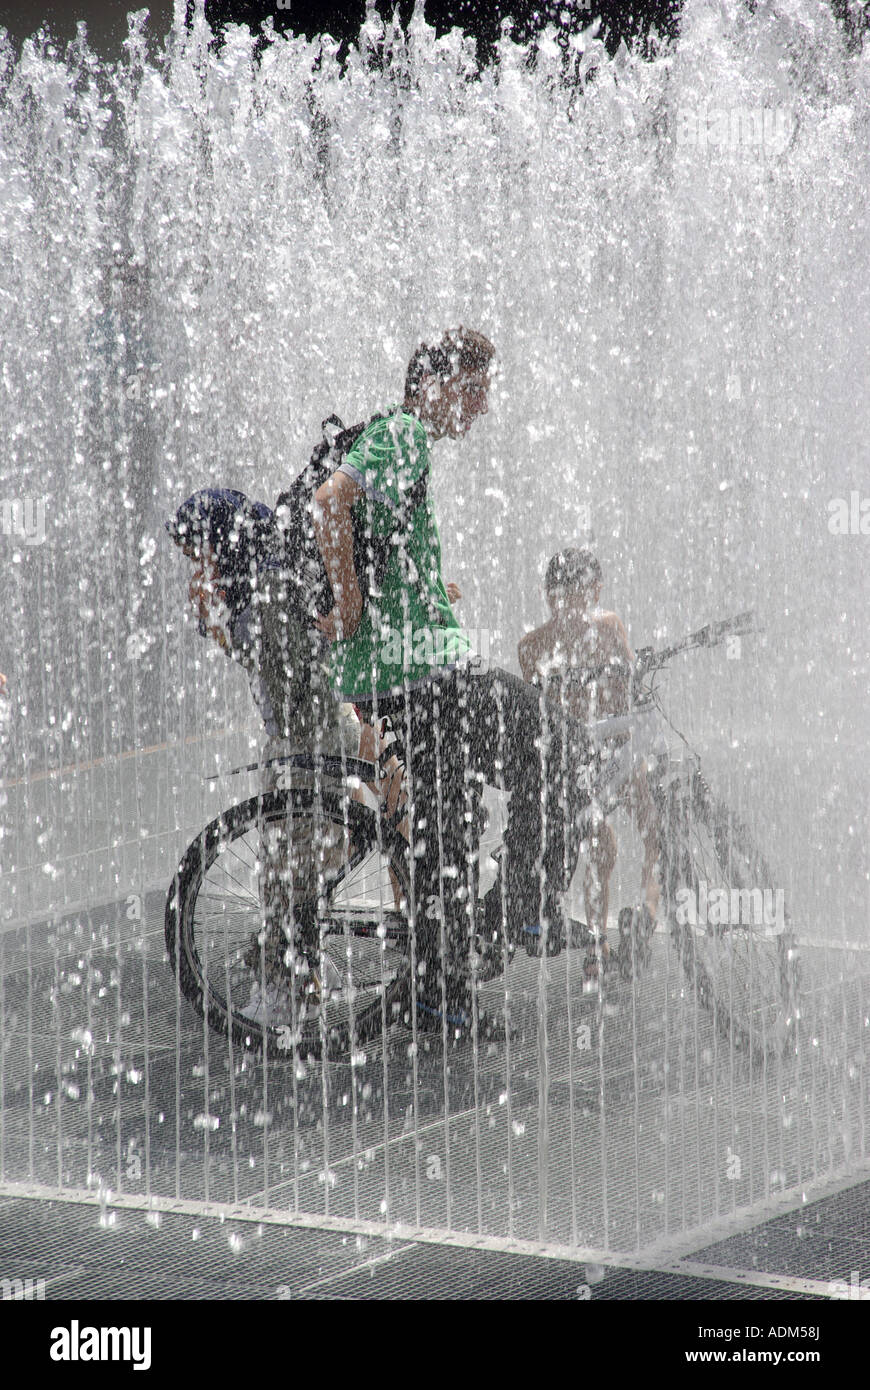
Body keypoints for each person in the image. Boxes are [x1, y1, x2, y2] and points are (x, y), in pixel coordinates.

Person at [313, 328, 588, 1037]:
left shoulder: (405, 444)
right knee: (565, 752)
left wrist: (429, 590)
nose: (483, 406)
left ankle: (442, 992)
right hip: (420, 677)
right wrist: (345, 605)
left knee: (447, 825)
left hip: (402, 672)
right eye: (474, 389)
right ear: (433, 385)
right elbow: (329, 503)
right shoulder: (403, 434)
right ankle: (516, 917)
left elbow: (370, 531)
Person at [518, 548, 660, 976]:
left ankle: (598, 948)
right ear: (592, 589)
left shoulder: (533, 646)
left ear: (549, 594)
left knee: (602, 849)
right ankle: (647, 915)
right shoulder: (609, 626)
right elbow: (632, 687)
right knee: (655, 834)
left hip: (578, 762)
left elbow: (536, 715)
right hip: (615, 751)